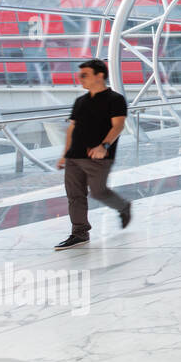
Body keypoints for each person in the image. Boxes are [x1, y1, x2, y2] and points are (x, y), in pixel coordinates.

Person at [54, 59, 132, 249]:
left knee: (98, 191)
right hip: (74, 156)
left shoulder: (115, 99)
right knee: (75, 195)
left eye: (85, 75)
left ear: (100, 75)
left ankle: (123, 206)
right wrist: (65, 153)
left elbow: (118, 125)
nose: (81, 79)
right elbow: (72, 128)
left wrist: (103, 146)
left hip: (99, 157)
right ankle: (79, 233)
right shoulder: (80, 101)